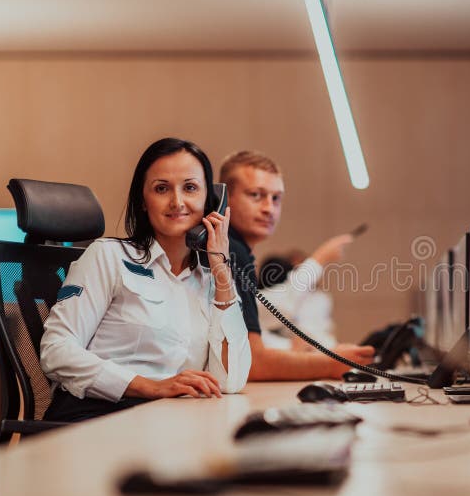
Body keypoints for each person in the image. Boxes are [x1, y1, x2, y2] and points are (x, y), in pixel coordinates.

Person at [40, 138, 251, 422]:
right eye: (161, 188)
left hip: (167, 420)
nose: (177, 202)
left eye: (190, 188)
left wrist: (222, 271)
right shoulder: (109, 257)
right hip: (100, 417)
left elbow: (231, 382)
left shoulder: (211, 280)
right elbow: (56, 351)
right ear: (143, 200)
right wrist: (149, 386)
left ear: (210, 202)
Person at [219, 150, 374, 380]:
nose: (268, 208)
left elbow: (246, 345)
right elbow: (247, 362)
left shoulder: (236, 252)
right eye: (255, 195)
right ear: (222, 198)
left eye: (276, 198)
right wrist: (330, 363)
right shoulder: (229, 251)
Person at [257, 236, 351, 351]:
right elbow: (287, 299)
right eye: (295, 272)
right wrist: (321, 257)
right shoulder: (266, 301)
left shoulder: (319, 298)